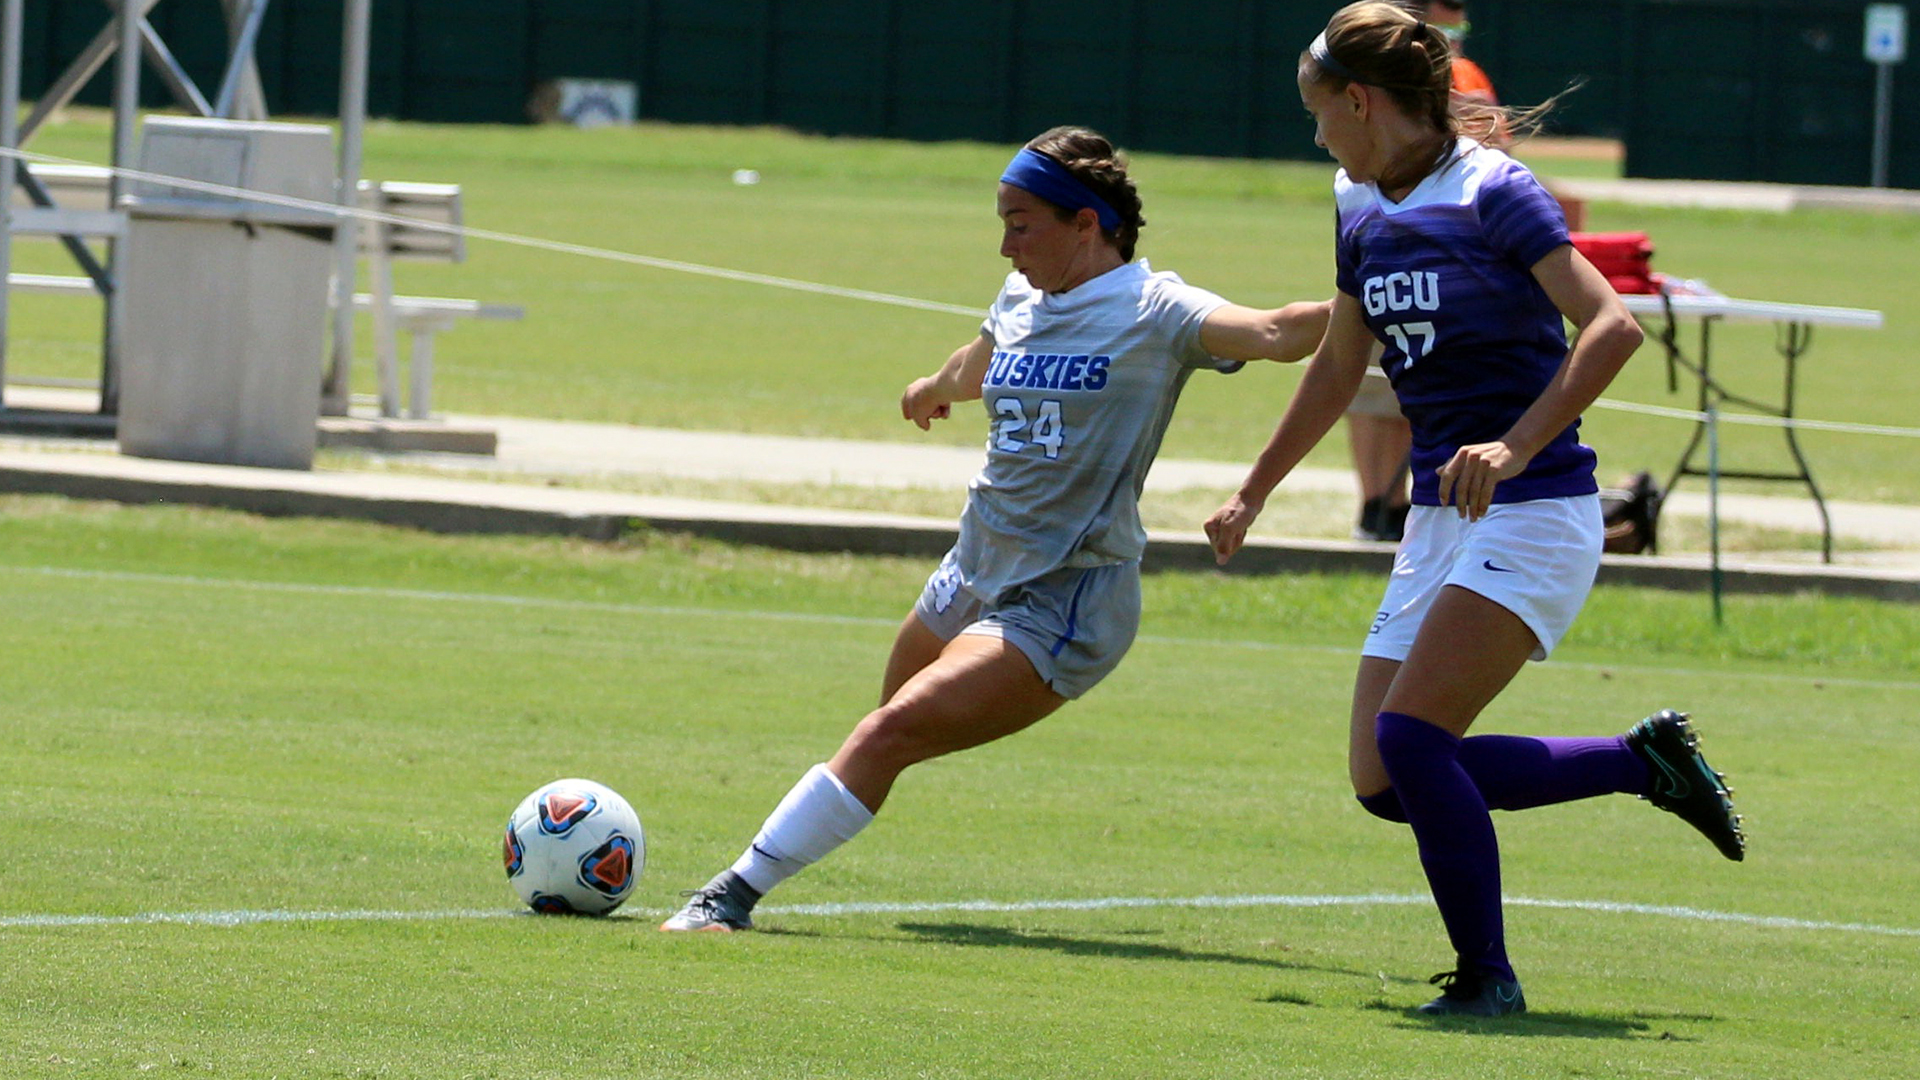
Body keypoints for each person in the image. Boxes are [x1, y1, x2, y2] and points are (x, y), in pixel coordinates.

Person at [1204, 2, 1744, 1017]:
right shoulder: (1355, 198)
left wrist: (1518, 441)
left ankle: (1487, 978)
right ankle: (1642, 762)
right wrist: (1254, 488)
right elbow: (1337, 364)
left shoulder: (1496, 191)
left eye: (1321, 114)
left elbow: (1614, 326)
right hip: (1439, 519)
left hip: (1538, 509)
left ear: (1362, 103)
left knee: (1414, 742)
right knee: (1381, 779)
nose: (1317, 134)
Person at [660, 126, 1332, 933]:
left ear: (1086, 224)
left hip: (1064, 596)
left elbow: (1277, 333)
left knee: (889, 731)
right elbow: (976, 363)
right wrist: (929, 387)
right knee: (882, 732)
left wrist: (1387, 284)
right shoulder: (1021, 299)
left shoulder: (1155, 309)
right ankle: (773, 866)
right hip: (971, 568)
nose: (1005, 244)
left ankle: (727, 898)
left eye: (1021, 223)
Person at [1342, 0, 1510, 544]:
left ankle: (1391, 506)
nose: (1458, 19)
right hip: (1397, 248)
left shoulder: (1467, 75)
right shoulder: (1388, 74)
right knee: (1372, 388)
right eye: (1449, 9)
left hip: (1442, 254)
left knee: (1404, 392)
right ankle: (1377, 505)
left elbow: (1494, 148)